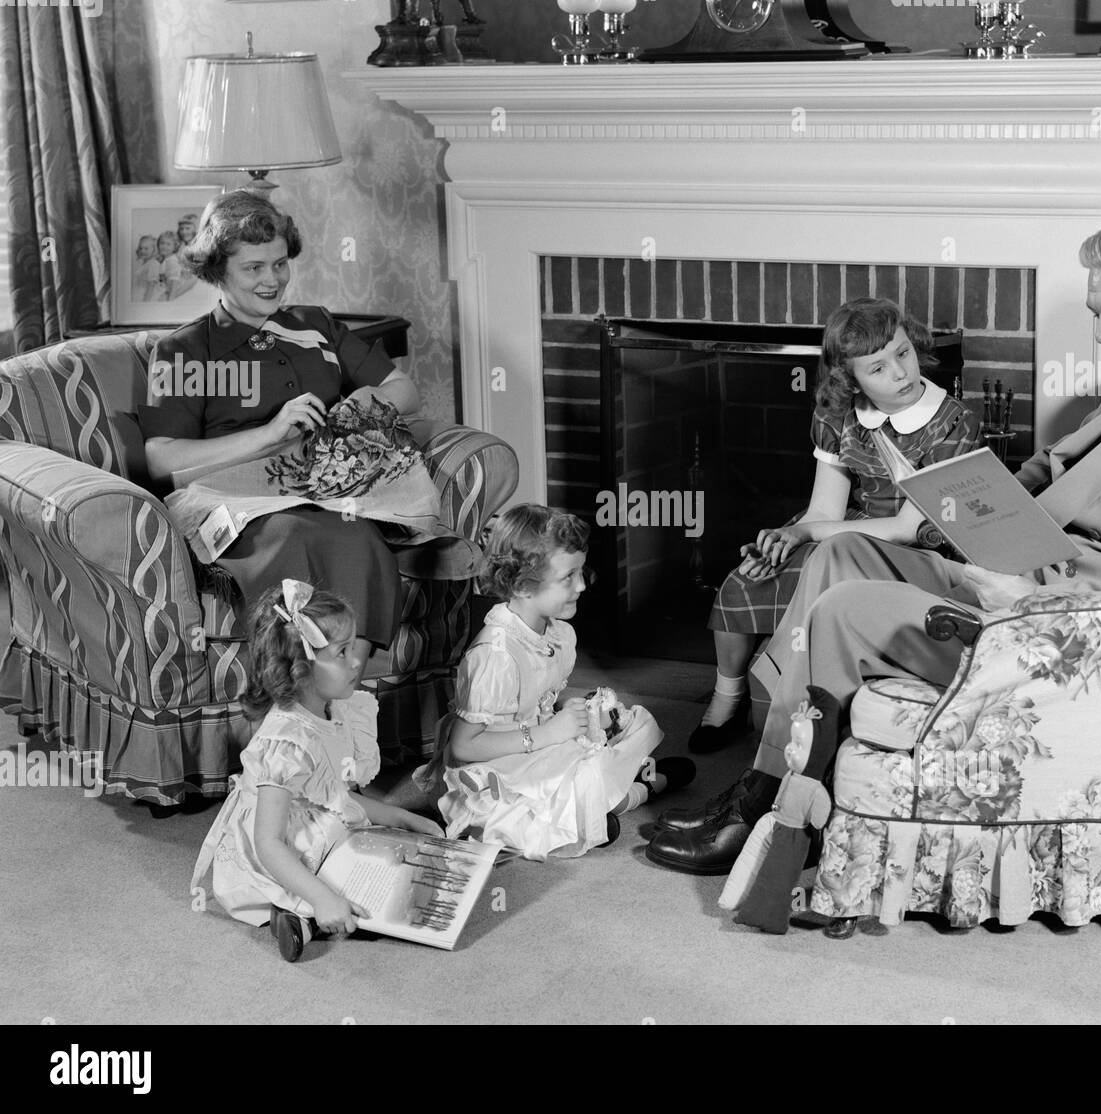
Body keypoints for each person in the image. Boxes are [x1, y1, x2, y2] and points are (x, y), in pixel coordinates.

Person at [647, 214, 1101, 875]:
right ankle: (772, 783)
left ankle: (772, 811)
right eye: (1098, 314)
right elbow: (1053, 479)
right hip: (1011, 570)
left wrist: (1031, 589)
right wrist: (970, 502)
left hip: (1056, 624)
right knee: (838, 555)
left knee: (840, 610)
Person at [139, 189, 422, 663]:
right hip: (228, 498)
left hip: (323, 485)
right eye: (253, 268)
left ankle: (345, 686)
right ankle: (296, 684)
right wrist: (272, 432)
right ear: (217, 271)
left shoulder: (317, 326)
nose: (272, 280)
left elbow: (405, 391)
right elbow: (161, 458)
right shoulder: (182, 351)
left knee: (356, 531)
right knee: (300, 533)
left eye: (280, 264)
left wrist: (355, 405)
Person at [690, 298, 979, 756]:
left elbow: (907, 528)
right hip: (842, 528)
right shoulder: (838, 414)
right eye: (878, 368)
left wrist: (807, 535)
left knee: (826, 574)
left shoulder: (953, 420)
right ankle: (729, 697)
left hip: (914, 548)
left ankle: (787, 700)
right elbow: (825, 508)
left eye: (903, 354)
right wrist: (787, 537)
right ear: (852, 379)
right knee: (744, 582)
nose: (900, 374)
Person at [412, 504, 695, 860]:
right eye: (568, 577)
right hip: (496, 764)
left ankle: (620, 790)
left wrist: (583, 717)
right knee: (584, 785)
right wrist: (548, 735)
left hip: (538, 742)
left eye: (581, 572)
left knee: (628, 725)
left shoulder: (560, 634)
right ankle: (644, 789)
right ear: (523, 585)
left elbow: (541, 704)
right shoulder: (494, 655)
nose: (581, 585)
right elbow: (463, 748)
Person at [191, 580, 442, 962]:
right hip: (276, 840)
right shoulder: (287, 742)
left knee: (372, 849)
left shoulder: (334, 709)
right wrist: (323, 896)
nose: (357, 660)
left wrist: (400, 816)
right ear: (301, 671)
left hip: (313, 816)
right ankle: (300, 915)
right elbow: (269, 842)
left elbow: (334, 796)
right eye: (342, 653)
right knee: (334, 877)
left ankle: (324, 905)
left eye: (352, 646)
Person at [132, 234, 161, 303]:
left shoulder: (153, 264)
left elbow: (151, 286)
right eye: (141, 248)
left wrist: (145, 303)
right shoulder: (143, 264)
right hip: (138, 296)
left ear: (154, 250)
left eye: (146, 248)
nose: (142, 251)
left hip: (145, 298)